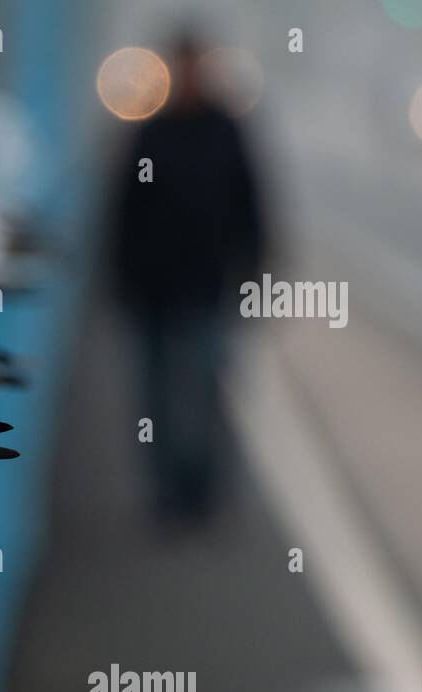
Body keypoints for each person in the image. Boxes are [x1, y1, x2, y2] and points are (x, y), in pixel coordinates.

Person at [107, 32, 266, 525]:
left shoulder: (226, 131)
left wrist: (254, 268)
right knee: (154, 400)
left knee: (204, 390)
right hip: (151, 289)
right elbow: (123, 212)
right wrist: (119, 277)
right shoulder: (150, 133)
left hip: (205, 286)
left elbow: (251, 204)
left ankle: (205, 491)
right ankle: (166, 495)